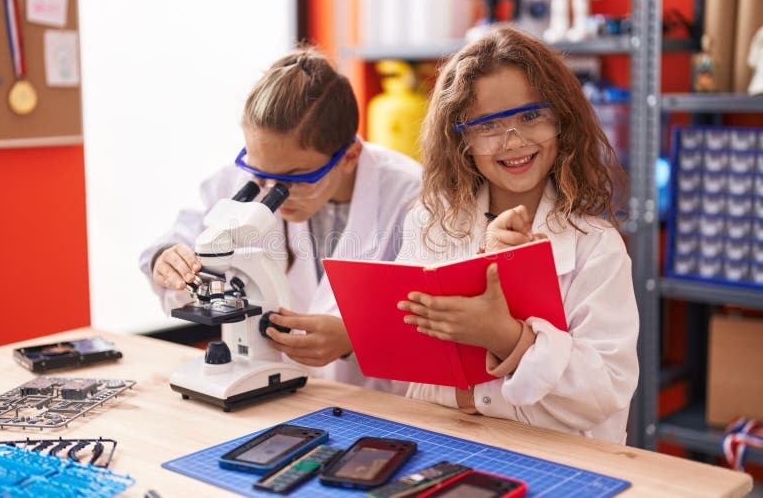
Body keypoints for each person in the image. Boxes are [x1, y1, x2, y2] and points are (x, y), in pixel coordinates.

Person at [395, 26, 639, 443]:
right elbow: (409, 361)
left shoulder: (596, 246)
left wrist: (506, 337)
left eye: (530, 116)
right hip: (445, 443)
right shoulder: (429, 222)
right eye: (488, 125)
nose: (514, 141)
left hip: (561, 465)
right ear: (462, 139)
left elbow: (604, 391)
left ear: (562, 120)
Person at [140, 46, 421, 394]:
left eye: (296, 177)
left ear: (349, 156)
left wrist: (354, 343)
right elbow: (172, 242)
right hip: (277, 393)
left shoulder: (411, 195)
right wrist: (165, 258)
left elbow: (433, 331)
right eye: (260, 173)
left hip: (375, 402)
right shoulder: (243, 180)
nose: (272, 191)